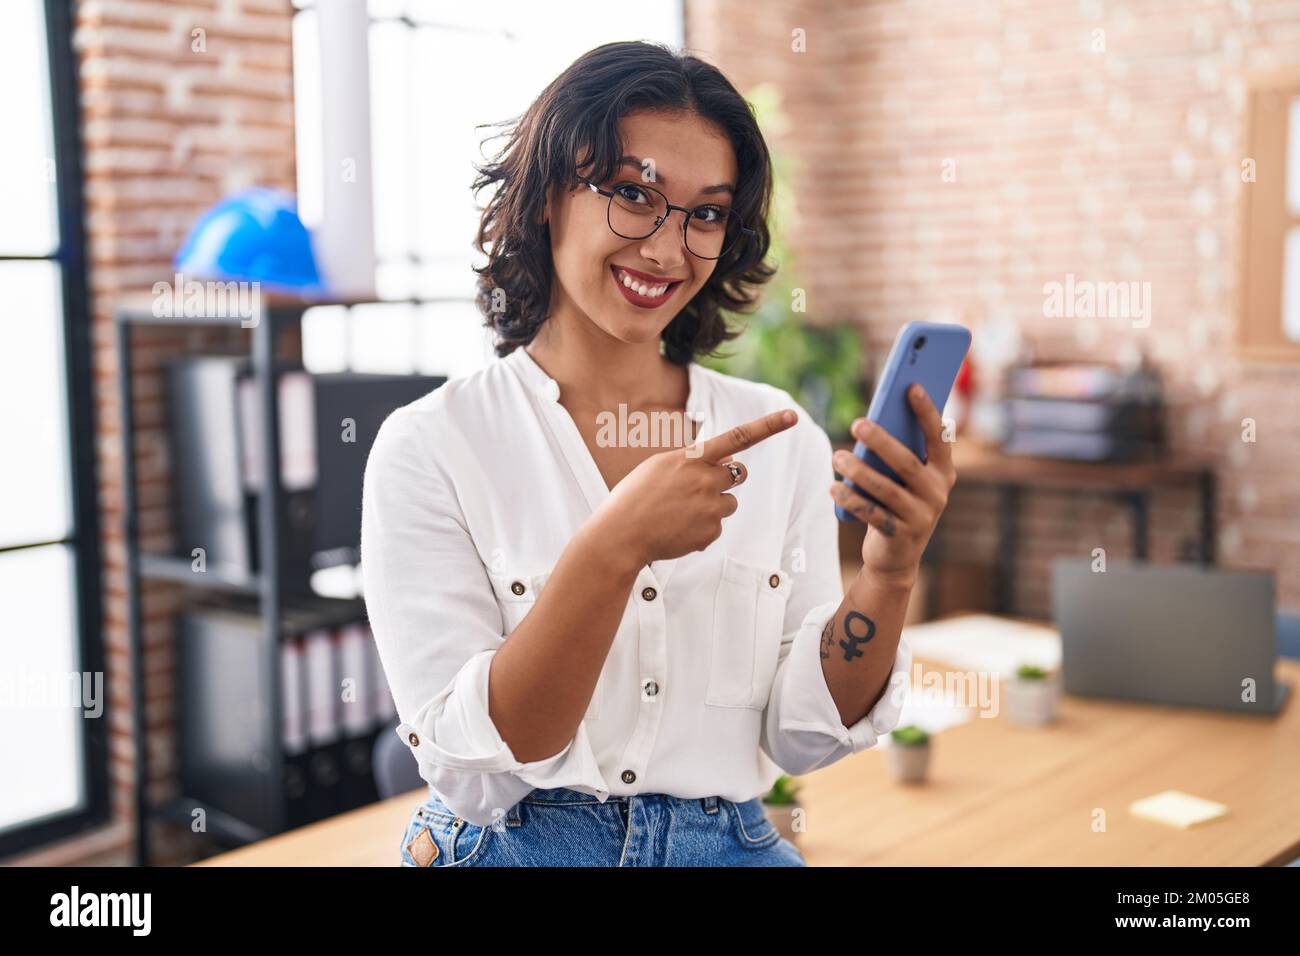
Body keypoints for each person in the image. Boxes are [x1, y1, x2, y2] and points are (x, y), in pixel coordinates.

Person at [361, 40, 957, 867]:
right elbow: (479, 774)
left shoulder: (776, 435)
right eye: (634, 194)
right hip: (513, 846)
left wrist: (890, 574)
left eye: (707, 213)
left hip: (732, 842)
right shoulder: (430, 446)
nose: (669, 250)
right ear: (545, 196)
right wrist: (613, 547)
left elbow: (801, 735)